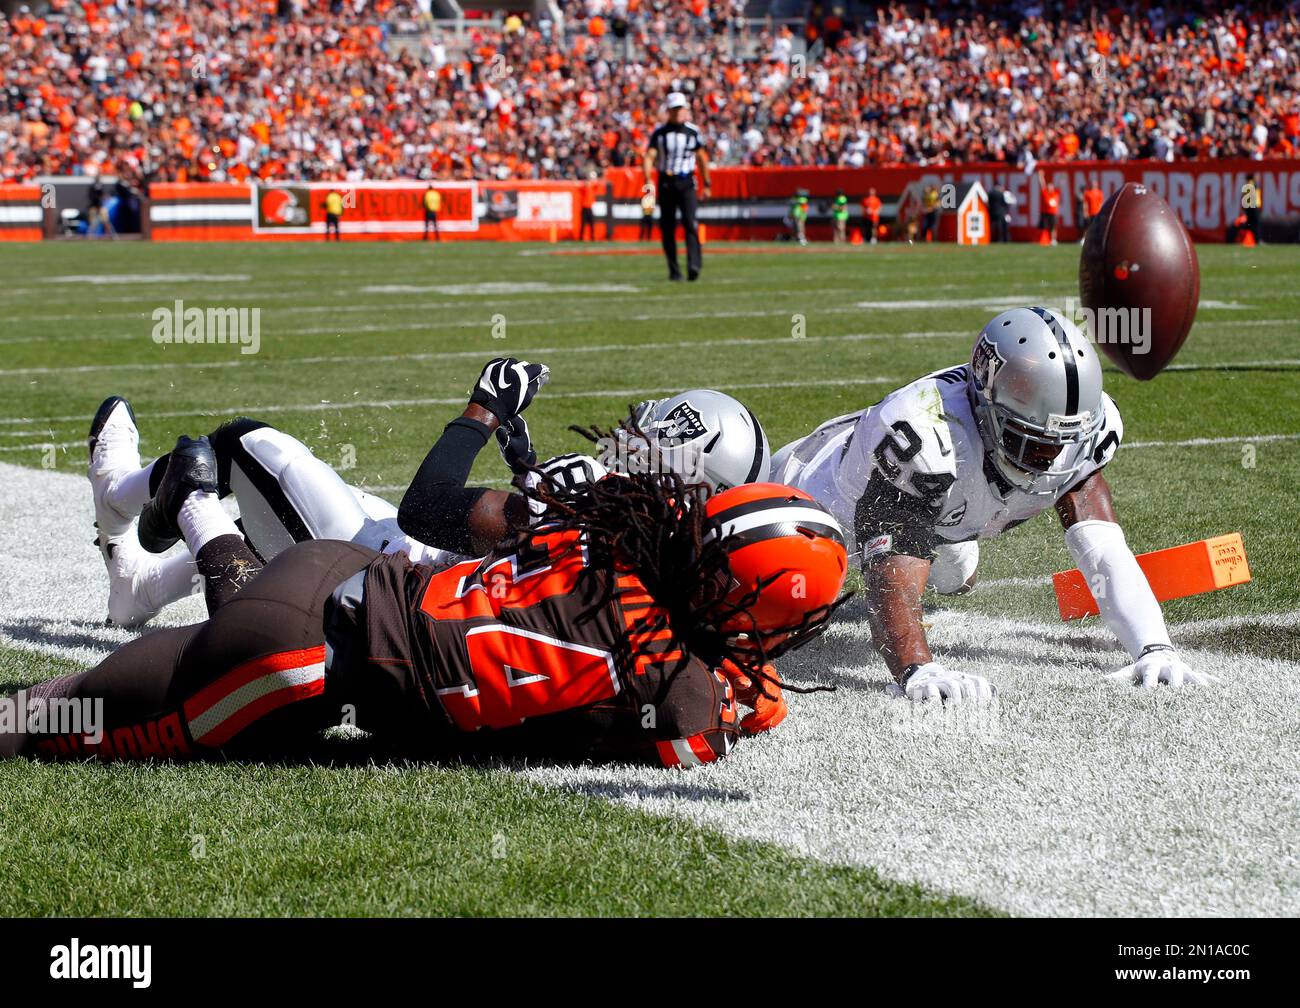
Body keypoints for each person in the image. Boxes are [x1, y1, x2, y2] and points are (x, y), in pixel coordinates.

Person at [7, 365, 848, 766]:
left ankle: (193, 514)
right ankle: (193, 512)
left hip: (368, 581)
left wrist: (487, 415)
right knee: (67, 727)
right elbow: (680, 721)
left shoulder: (601, 526)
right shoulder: (677, 672)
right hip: (338, 626)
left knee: (74, 705)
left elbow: (444, 508)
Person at [770, 307, 1214, 700]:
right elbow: (888, 558)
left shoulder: (1081, 434)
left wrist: (1153, 646)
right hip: (815, 505)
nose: (1051, 459)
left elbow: (1101, 544)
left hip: (936, 513)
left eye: (1063, 443)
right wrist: (917, 668)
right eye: (1032, 441)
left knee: (956, 572)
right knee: (786, 604)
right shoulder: (927, 435)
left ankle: (944, 534)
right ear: (986, 408)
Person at [644, 92, 710, 281]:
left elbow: (702, 158)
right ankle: (674, 270)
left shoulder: (693, 132)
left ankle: (694, 265)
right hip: (666, 182)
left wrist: (707, 183)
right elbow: (649, 156)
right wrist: (648, 179)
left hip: (687, 182)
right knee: (667, 227)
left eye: (681, 108)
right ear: (669, 111)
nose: (679, 112)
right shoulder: (660, 133)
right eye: (675, 109)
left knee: (691, 223)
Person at [1038, 171, 1060, 245]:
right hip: (1045, 212)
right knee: (1045, 227)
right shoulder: (1045, 192)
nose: (1050, 187)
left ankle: (1054, 240)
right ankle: (1045, 239)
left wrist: (1062, 178)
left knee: (1053, 227)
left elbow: (1060, 184)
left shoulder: (1055, 193)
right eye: (1049, 186)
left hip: (1053, 213)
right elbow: (1042, 185)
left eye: (1051, 186)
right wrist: (1041, 177)